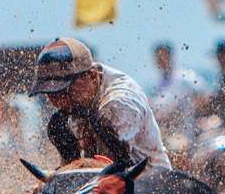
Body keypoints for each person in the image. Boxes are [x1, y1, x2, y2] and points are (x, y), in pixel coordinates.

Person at [28, 37, 171, 169]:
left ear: (91, 75)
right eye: (52, 94)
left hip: (149, 183)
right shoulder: (76, 105)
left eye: (65, 91)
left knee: (101, 121)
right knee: (57, 125)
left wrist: (65, 173)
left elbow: (112, 168)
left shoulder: (118, 102)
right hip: (101, 183)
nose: (60, 102)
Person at [151, 41, 202, 137]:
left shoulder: (185, 78)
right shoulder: (159, 84)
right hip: (170, 134)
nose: (161, 60)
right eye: (158, 58)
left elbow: (204, 95)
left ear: (170, 57)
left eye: (163, 57)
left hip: (188, 133)